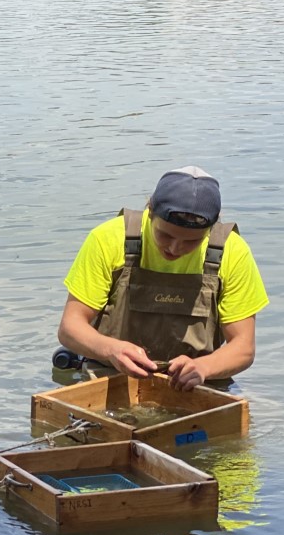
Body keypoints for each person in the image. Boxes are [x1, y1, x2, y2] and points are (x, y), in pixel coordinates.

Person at [57, 166, 268, 390]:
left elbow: (243, 348)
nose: (175, 248)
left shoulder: (232, 251)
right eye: (165, 235)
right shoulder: (108, 239)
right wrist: (111, 349)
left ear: (210, 229)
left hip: (196, 383)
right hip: (113, 374)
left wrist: (203, 367)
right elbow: (70, 328)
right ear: (150, 212)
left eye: (191, 241)